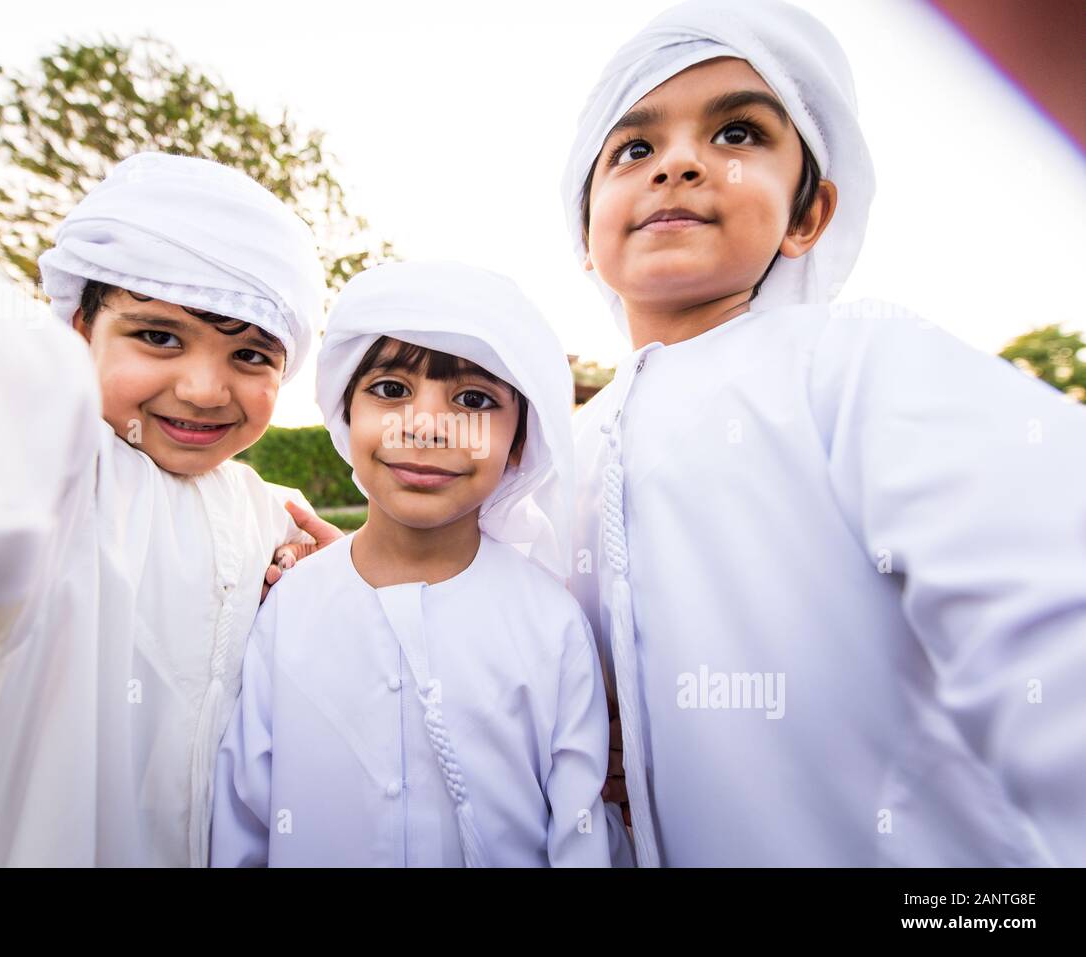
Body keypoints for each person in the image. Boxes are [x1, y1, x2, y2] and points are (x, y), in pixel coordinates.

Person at [561, 0, 1086, 866]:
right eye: (634, 149)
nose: (680, 163)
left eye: (737, 134)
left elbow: (1053, 596)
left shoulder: (858, 364)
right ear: (585, 228)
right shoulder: (557, 452)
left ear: (809, 215)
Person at [0, 126, 338, 865]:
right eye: (159, 338)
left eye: (249, 355)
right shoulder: (47, 469)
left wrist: (341, 594)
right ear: (79, 330)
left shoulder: (275, 513)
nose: (205, 389)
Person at [210, 261, 630, 866]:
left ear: (519, 444)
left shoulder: (550, 620)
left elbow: (580, 832)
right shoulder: (290, 605)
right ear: (345, 413)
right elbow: (244, 813)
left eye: (474, 399)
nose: (427, 426)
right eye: (390, 390)